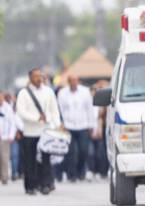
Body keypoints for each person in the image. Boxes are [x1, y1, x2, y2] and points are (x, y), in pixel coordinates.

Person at [15, 68, 62, 196]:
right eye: (36, 76)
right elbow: (21, 111)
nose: (39, 78)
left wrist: (57, 125)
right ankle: (30, 186)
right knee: (30, 160)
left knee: (46, 159)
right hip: (30, 131)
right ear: (30, 78)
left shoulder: (49, 91)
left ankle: (45, 184)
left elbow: (54, 110)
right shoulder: (23, 93)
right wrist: (36, 118)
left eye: (40, 76)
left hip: (46, 131)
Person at [56, 73, 94, 183]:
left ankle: (80, 171)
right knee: (71, 152)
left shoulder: (85, 92)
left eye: (76, 80)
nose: (74, 83)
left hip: (83, 125)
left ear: (78, 81)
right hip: (69, 126)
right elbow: (60, 110)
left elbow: (90, 109)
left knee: (84, 150)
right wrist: (62, 123)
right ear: (69, 82)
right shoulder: (62, 93)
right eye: (72, 80)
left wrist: (91, 125)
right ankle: (71, 175)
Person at [0, 91, 16, 184]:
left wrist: (11, 135)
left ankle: (5, 177)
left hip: (5, 137)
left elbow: (12, 123)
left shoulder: (8, 108)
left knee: (4, 157)